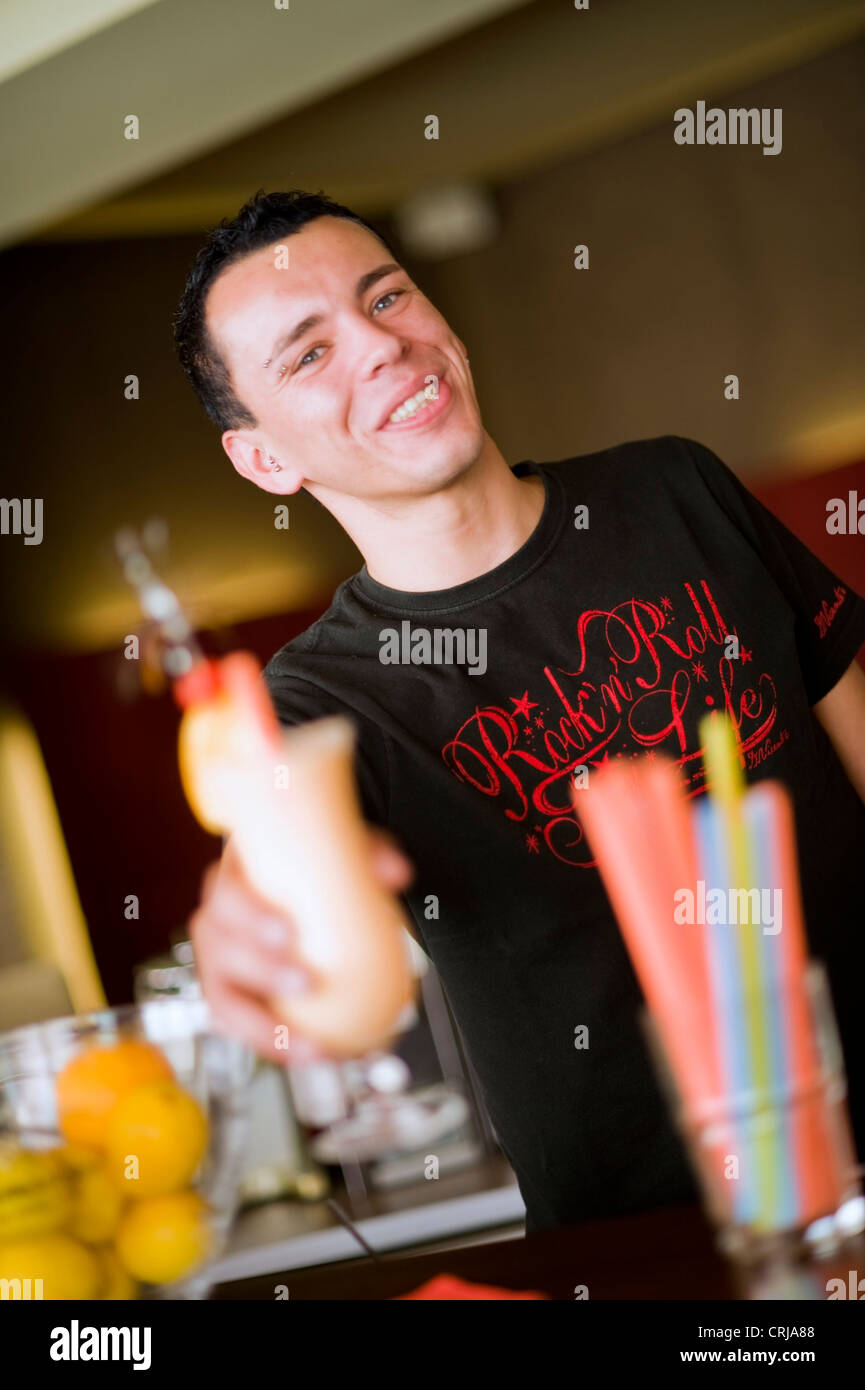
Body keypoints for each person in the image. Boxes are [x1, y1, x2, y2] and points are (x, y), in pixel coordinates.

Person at [176, 190, 865, 1233]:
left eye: (388, 296)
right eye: (306, 354)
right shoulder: (321, 698)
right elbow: (276, 864)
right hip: (646, 1247)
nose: (379, 344)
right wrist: (243, 928)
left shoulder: (674, 487)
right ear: (266, 457)